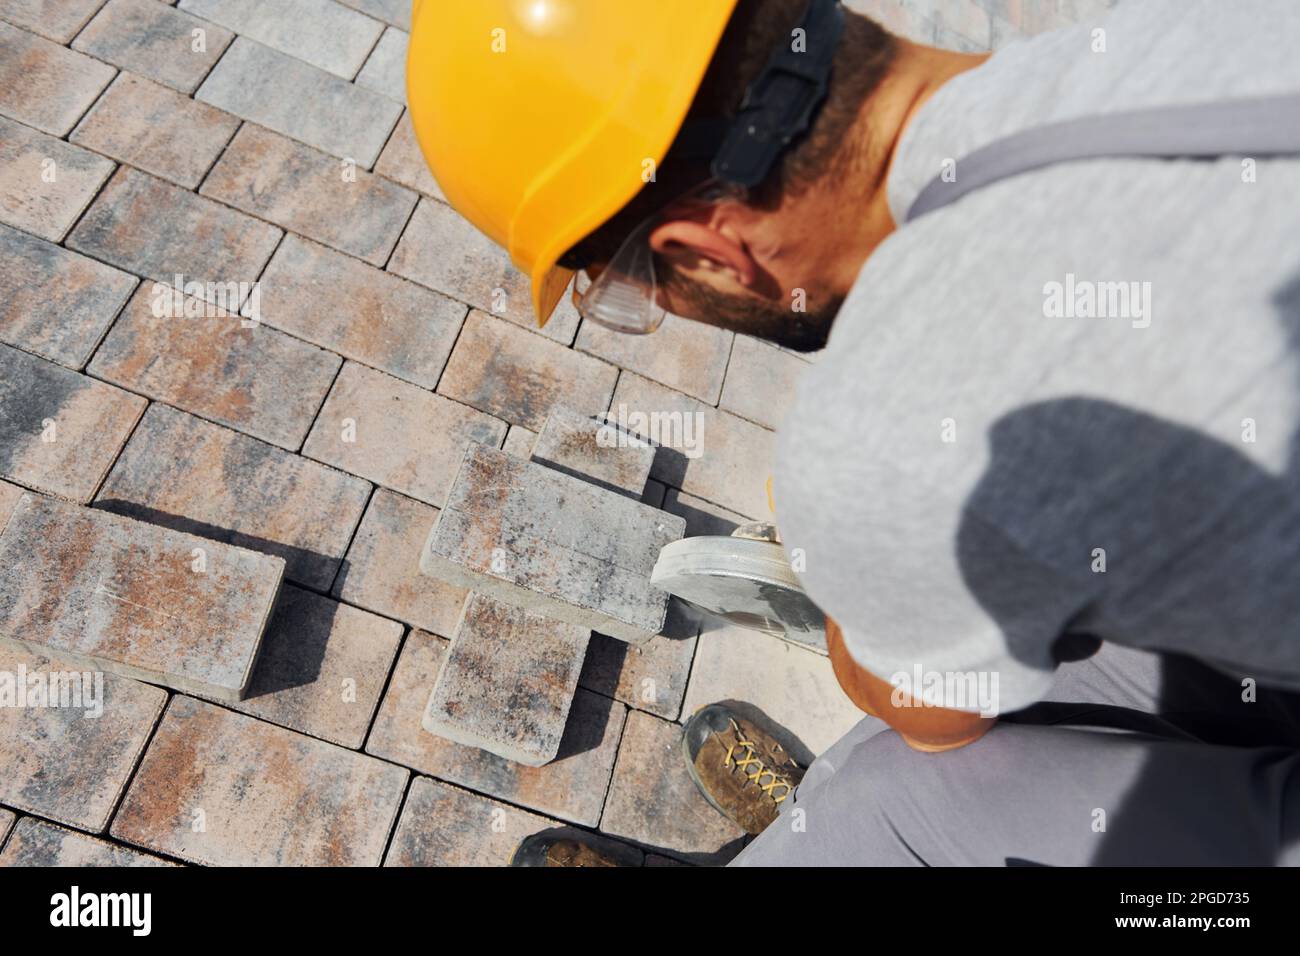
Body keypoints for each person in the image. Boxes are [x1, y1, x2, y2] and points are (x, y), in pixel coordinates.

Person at [411, 0, 1300, 865]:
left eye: (633, 290)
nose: (654, 306)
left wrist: (850, 578)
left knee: (898, 799)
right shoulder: (1183, 30)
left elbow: (935, 721)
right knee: (966, 678)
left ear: (707, 251)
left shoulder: (883, 434)